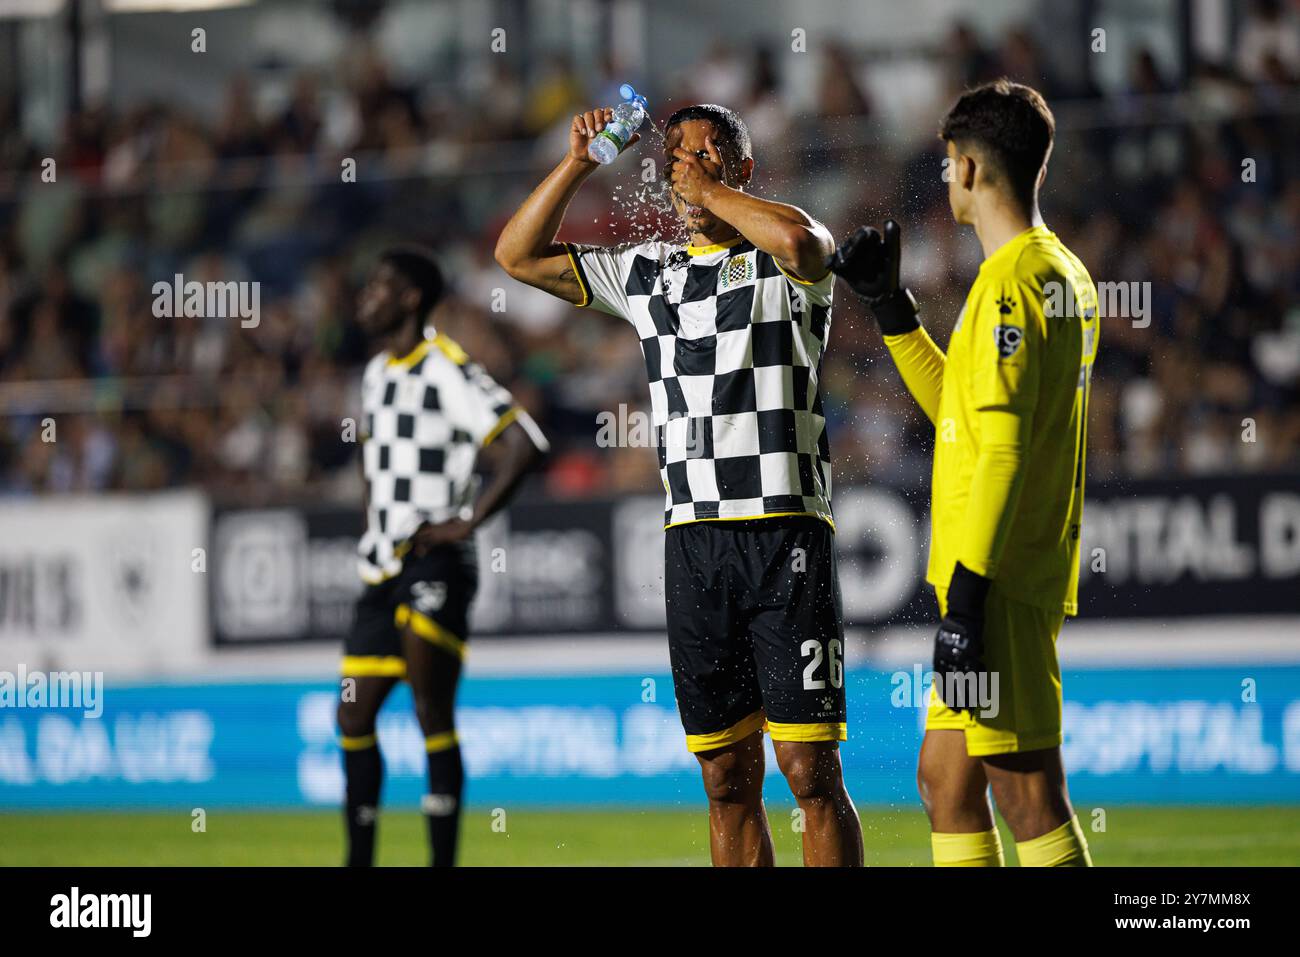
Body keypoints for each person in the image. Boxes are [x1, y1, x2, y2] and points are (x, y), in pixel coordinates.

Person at [495, 103, 863, 866]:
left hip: (784, 529)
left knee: (810, 773)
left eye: (709, 150)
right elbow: (517, 255)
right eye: (677, 155)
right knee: (727, 779)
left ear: (743, 167)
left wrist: (708, 194)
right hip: (693, 542)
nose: (688, 162)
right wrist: (579, 163)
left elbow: (806, 242)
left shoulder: (783, 260)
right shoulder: (646, 272)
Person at [830, 79, 1098, 867]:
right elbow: (964, 409)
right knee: (946, 781)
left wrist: (970, 597)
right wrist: (893, 311)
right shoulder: (1059, 274)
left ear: (973, 170)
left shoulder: (1013, 284)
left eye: (949, 164)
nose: (946, 180)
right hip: (998, 576)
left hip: (999, 582)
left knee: (1026, 793)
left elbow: (1006, 448)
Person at [337, 246, 548, 866]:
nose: (364, 297)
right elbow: (373, 459)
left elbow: (524, 444)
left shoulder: (447, 369)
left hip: (434, 561)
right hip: (382, 566)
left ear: (408, 299)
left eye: (378, 285)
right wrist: (373, 521)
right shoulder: (376, 373)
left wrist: (467, 522)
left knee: (431, 710)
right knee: (352, 716)